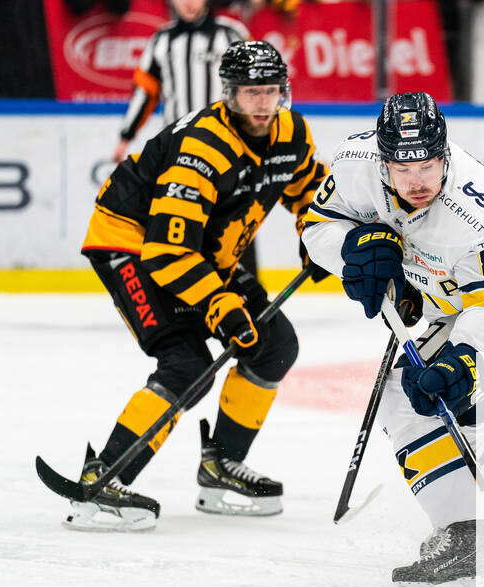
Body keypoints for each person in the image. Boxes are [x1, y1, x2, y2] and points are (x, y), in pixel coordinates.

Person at [301, 92, 484, 587]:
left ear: (445, 155)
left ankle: (469, 542)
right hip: (440, 295)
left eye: (428, 165)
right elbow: (318, 230)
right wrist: (353, 249)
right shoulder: (354, 164)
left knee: (456, 405)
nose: (418, 180)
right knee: (408, 399)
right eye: (403, 167)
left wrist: (465, 358)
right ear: (382, 159)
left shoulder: (474, 210)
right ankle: (467, 538)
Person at [65, 40, 329, 532]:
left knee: (274, 346)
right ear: (229, 93)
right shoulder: (204, 149)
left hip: (205, 248)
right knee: (188, 364)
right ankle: (104, 477)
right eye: (251, 92)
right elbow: (166, 251)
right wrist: (218, 303)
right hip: (133, 243)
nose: (262, 103)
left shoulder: (291, 132)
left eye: (271, 91)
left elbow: (312, 191)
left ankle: (221, 467)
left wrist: (320, 238)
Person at [113, 0, 250, 164]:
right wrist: (125, 137)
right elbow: (145, 92)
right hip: (178, 144)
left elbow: (255, 86)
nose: (188, 3)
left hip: (227, 143)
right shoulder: (162, 39)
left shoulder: (231, 34)